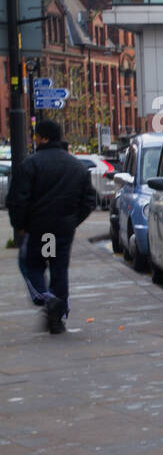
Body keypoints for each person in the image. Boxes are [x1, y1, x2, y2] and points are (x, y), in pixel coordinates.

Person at [7, 120, 97, 333]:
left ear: (43, 138)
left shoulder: (31, 164)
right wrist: (72, 221)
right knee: (58, 269)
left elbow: (17, 199)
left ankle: (48, 300)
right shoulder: (76, 166)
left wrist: (20, 225)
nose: (34, 140)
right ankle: (58, 317)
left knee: (32, 266)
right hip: (62, 230)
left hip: (39, 229)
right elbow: (89, 200)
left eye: (36, 136)